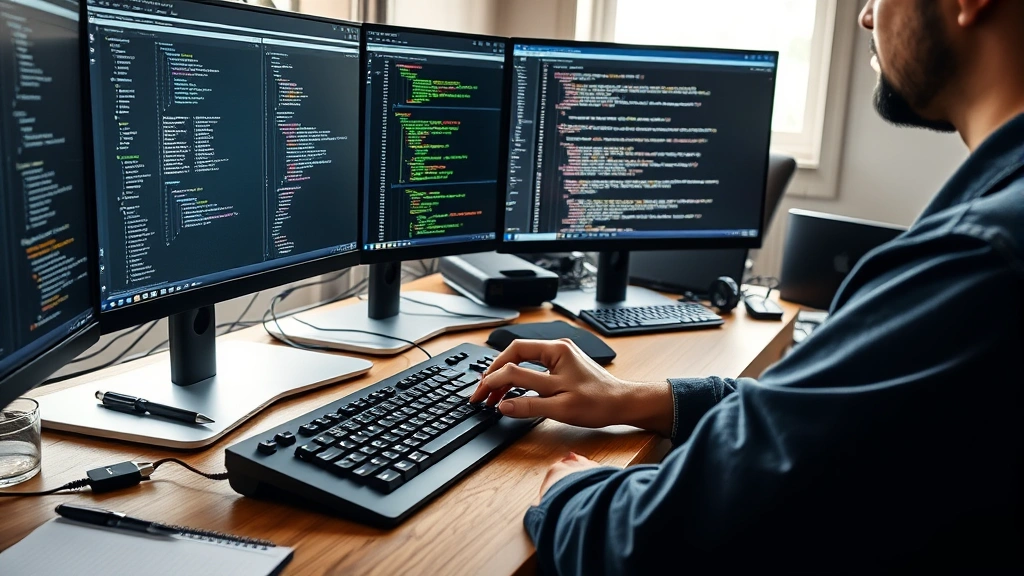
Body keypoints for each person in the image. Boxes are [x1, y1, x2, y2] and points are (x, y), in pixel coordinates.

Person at [469, 0, 1024, 572]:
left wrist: (572, 494)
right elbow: (823, 415)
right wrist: (633, 397)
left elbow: (646, 546)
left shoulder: (980, 262)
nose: (864, 15)